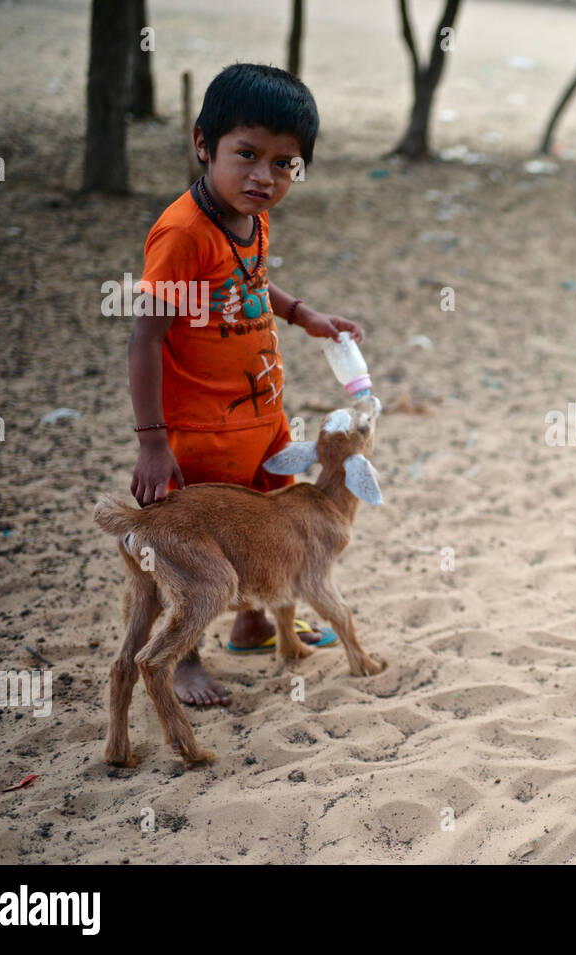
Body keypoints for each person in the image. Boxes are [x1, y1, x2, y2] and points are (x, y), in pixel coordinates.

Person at [128, 64, 364, 706]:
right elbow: (145, 337)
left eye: (285, 164)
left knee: (264, 529)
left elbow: (254, 283)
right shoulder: (182, 234)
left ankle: (254, 622)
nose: (265, 176)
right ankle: (183, 660)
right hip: (199, 433)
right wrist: (153, 443)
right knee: (194, 552)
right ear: (203, 144)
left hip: (261, 424)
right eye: (248, 155)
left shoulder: (251, 218)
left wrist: (303, 314)